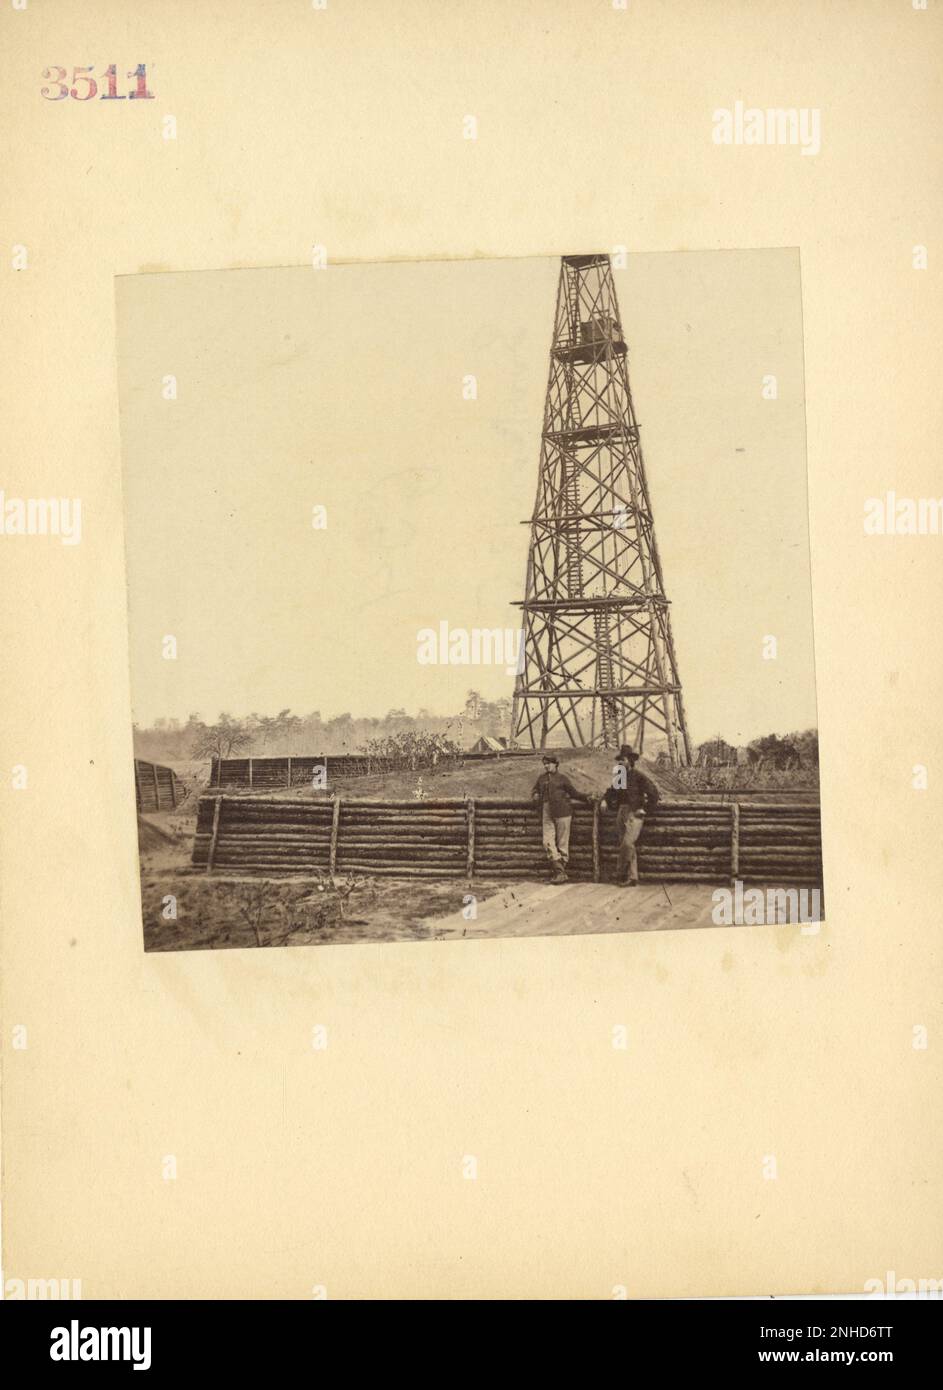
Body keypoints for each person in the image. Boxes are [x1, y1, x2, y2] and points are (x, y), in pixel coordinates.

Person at [602, 744, 660, 886]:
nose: (620, 762)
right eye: (620, 760)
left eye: (623, 760)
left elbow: (654, 793)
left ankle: (620, 872)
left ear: (630, 760)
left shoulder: (639, 776)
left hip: (635, 813)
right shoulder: (620, 775)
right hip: (622, 812)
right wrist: (604, 800)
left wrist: (645, 809)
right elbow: (612, 792)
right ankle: (632, 877)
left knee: (627, 844)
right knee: (626, 845)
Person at [531, 753, 593, 884]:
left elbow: (574, 793)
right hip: (546, 811)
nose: (547, 766)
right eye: (545, 764)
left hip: (563, 812)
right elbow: (535, 790)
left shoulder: (563, 778)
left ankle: (559, 873)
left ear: (556, 764)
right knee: (547, 841)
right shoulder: (541, 778)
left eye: (549, 763)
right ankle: (560, 872)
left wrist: (587, 798)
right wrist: (535, 794)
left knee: (562, 844)